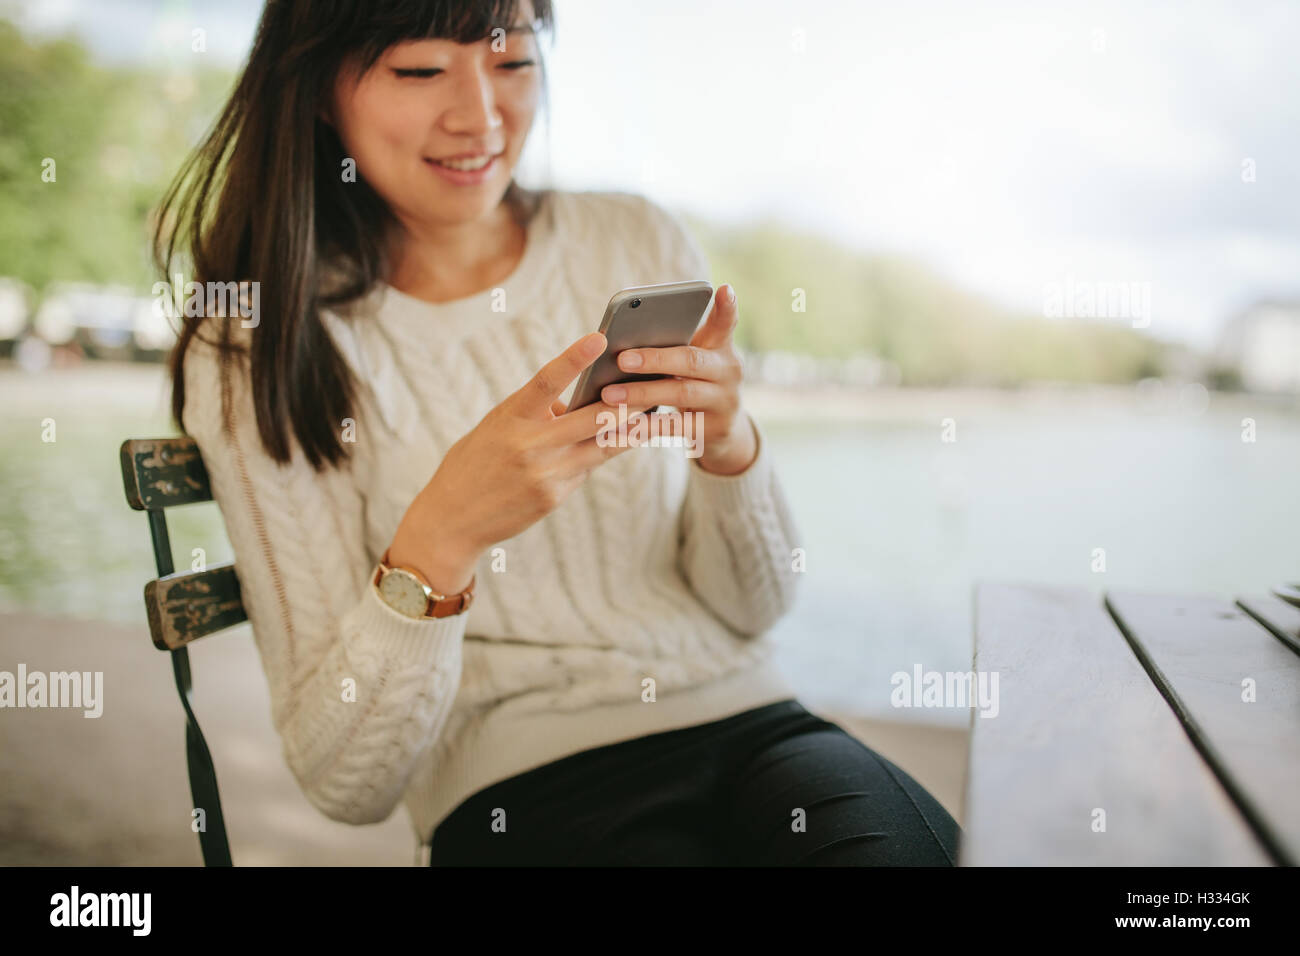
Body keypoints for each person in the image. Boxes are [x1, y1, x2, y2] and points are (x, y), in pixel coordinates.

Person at [154, 0, 960, 866]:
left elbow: (753, 609)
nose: (481, 115)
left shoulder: (631, 237)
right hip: (520, 782)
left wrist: (729, 452)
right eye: (421, 70)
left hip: (757, 724)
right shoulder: (255, 343)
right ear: (315, 89)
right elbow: (346, 780)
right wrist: (444, 536)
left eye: (513, 62)